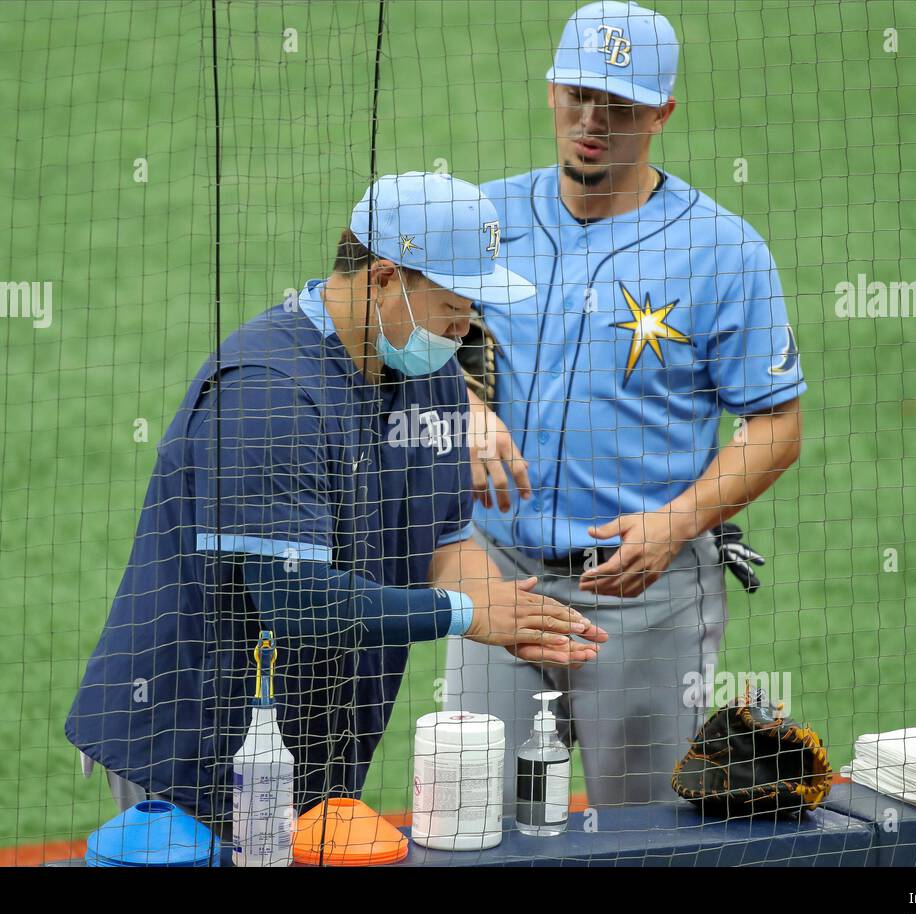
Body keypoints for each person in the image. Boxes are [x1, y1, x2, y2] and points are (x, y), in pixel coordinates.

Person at [66, 171, 607, 831]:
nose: (467, 325)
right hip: (194, 737)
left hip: (311, 734)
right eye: (455, 301)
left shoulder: (429, 374)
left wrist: (508, 611)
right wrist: (465, 614)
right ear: (384, 279)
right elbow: (295, 600)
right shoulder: (269, 392)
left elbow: (442, 541)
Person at [450, 1, 806, 813]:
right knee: (474, 830)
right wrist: (465, 407)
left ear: (662, 114)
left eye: (619, 106)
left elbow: (777, 427)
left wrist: (677, 523)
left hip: (642, 597)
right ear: (550, 92)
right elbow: (427, 341)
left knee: (648, 840)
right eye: (578, 94)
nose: (592, 121)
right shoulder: (483, 221)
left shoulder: (724, 251)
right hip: (499, 578)